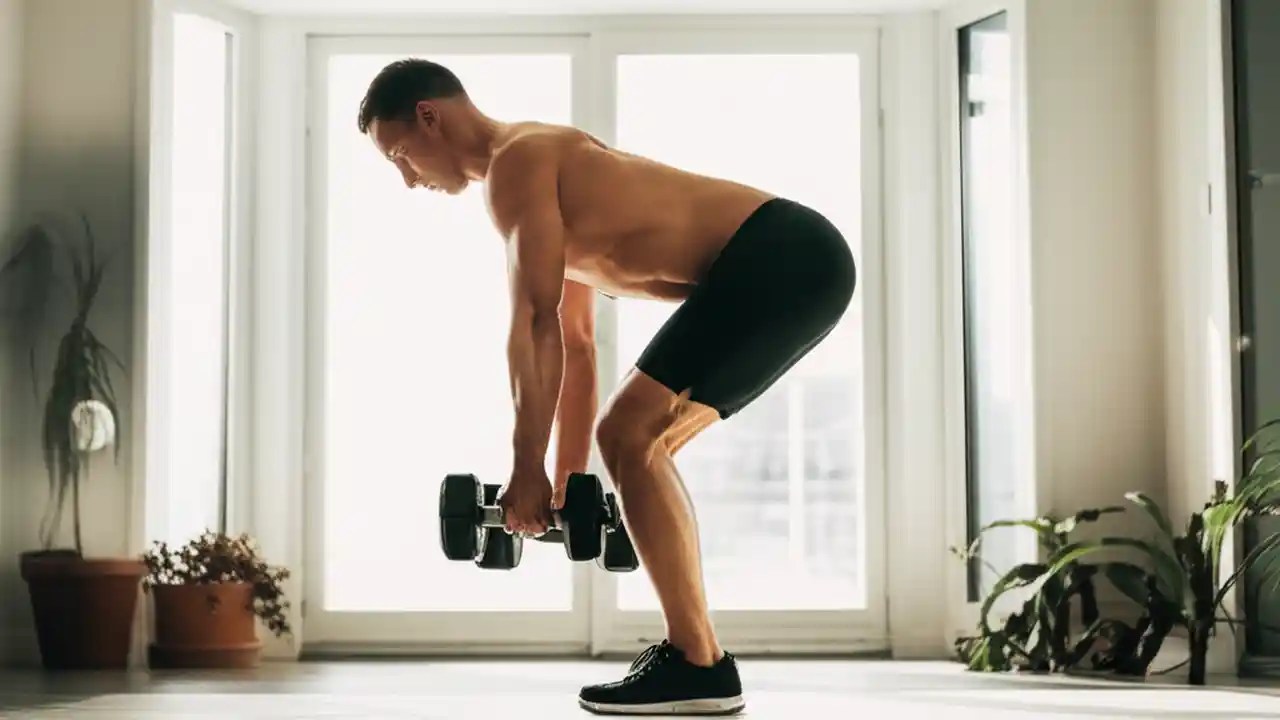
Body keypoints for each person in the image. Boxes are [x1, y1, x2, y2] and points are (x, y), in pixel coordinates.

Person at [357, 58, 857, 716]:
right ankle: (700, 659)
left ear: (430, 117)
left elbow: (534, 325)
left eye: (400, 156)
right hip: (799, 263)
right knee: (639, 444)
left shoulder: (519, 162)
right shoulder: (539, 169)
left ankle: (698, 663)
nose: (406, 178)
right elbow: (576, 342)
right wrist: (565, 480)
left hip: (779, 255)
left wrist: (524, 467)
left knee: (630, 435)